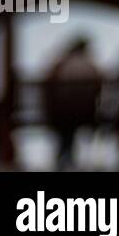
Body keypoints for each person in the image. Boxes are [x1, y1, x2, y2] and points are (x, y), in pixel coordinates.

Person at [43, 36, 101, 169]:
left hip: (62, 113)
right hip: (84, 113)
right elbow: (99, 85)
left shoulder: (62, 63)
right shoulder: (89, 64)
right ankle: (67, 157)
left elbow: (49, 84)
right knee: (71, 121)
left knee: (66, 125)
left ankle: (64, 157)